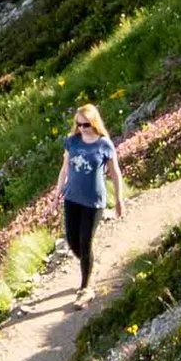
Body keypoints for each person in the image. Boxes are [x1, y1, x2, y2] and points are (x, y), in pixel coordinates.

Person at [55, 100, 126, 300]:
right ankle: (89, 264)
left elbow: (115, 173)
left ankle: (85, 289)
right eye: (78, 124)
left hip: (93, 202)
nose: (82, 128)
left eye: (86, 124)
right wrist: (57, 193)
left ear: (94, 123)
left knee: (85, 242)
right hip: (71, 198)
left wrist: (119, 199)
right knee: (73, 241)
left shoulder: (104, 144)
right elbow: (64, 169)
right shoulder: (72, 141)